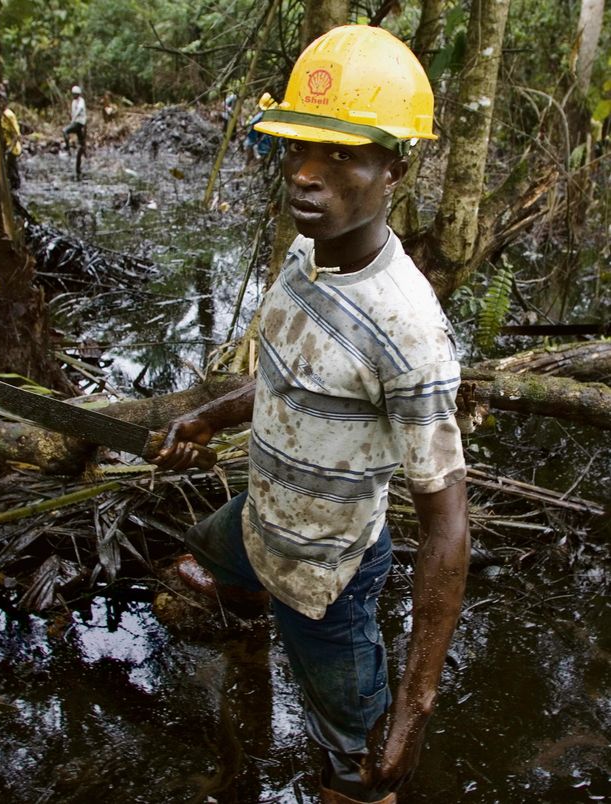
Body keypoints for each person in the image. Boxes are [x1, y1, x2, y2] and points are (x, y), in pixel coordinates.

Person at [154, 24, 470, 804]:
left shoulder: (409, 333)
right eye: (297, 147)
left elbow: (447, 525)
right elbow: (289, 382)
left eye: (340, 156)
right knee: (203, 549)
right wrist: (207, 421)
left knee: (358, 761)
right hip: (265, 513)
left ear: (392, 167)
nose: (304, 175)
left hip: (326, 570)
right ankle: (247, 591)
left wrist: (414, 709)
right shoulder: (305, 256)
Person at [0, 105, 22, 190]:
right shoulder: (1, 114)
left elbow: (17, 134)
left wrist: (11, 146)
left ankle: (16, 186)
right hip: (6, 145)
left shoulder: (9, 115)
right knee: (10, 166)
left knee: (12, 166)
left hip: (12, 146)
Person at [63, 85, 87, 152]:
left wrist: (73, 119)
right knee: (81, 140)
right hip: (76, 122)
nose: (74, 96)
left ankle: (68, 149)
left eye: (75, 94)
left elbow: (79, 110)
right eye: (73, 94)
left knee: (64, 131)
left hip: (80, 122)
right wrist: (71, 117)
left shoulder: (81, 101)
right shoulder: (73, 102)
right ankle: (85, 154)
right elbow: (73, 112)